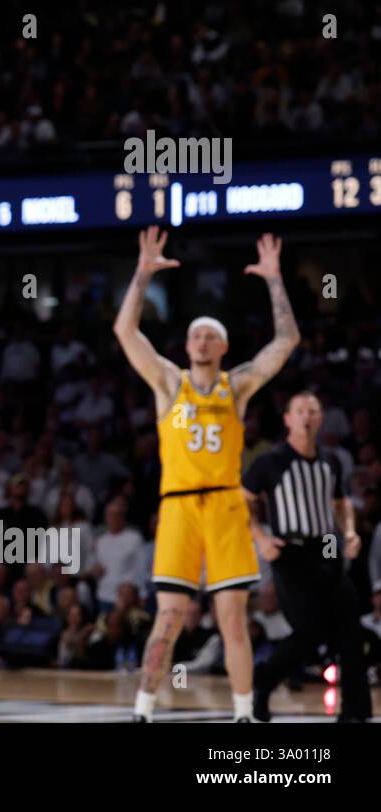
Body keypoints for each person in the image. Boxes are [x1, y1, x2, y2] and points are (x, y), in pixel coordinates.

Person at [114, 228, 299, 722]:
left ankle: (242, 714)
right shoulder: (168, 382)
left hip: (224, 504)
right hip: (177, 505)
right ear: (188, 342)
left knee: (232, 619)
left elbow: (286, 341)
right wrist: (143, 273)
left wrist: (275, 281)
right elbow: (126, 333)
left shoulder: (235, 386)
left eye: (210, 335)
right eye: (195, 333)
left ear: (223, 345)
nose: (200, 340)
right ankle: (143, 711)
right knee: (169, 617)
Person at [243, 391, 372, 722]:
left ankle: (356, 712)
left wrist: (349, 533)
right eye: (299, 411)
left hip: (327, 545)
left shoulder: (330, 460)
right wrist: (260, 537)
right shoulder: (270, 462)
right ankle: (265, 679)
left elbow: (340, 502)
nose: (307, 417)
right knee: (310, 630)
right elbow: (241, 501)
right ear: (287, 418)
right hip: (290, 550)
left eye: (313, 410)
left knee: (349, 628)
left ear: (321, 417)